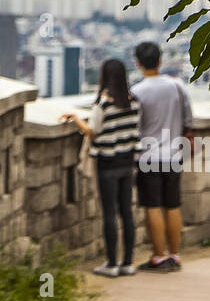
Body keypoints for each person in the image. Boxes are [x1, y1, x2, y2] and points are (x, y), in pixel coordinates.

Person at [61, 59, 140, 278]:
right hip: (127, 163)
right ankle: (128, 263)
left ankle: (112, 263)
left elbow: (93, 131)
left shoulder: (104, 104)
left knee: (109, 213)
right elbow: (135, 133)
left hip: (107, 164)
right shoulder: (134, 102)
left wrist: (76, 118)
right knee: (126, 212)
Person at [131, 41, 194, 273]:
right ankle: (174, 255)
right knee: (172, 205)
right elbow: (188, 121)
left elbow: (135, 126)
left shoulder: (137, 92)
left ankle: (158, 256)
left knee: (153, 206)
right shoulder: (177, 86)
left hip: (148, 156)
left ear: (138, 63)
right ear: (160, 60)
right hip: (174, 154)